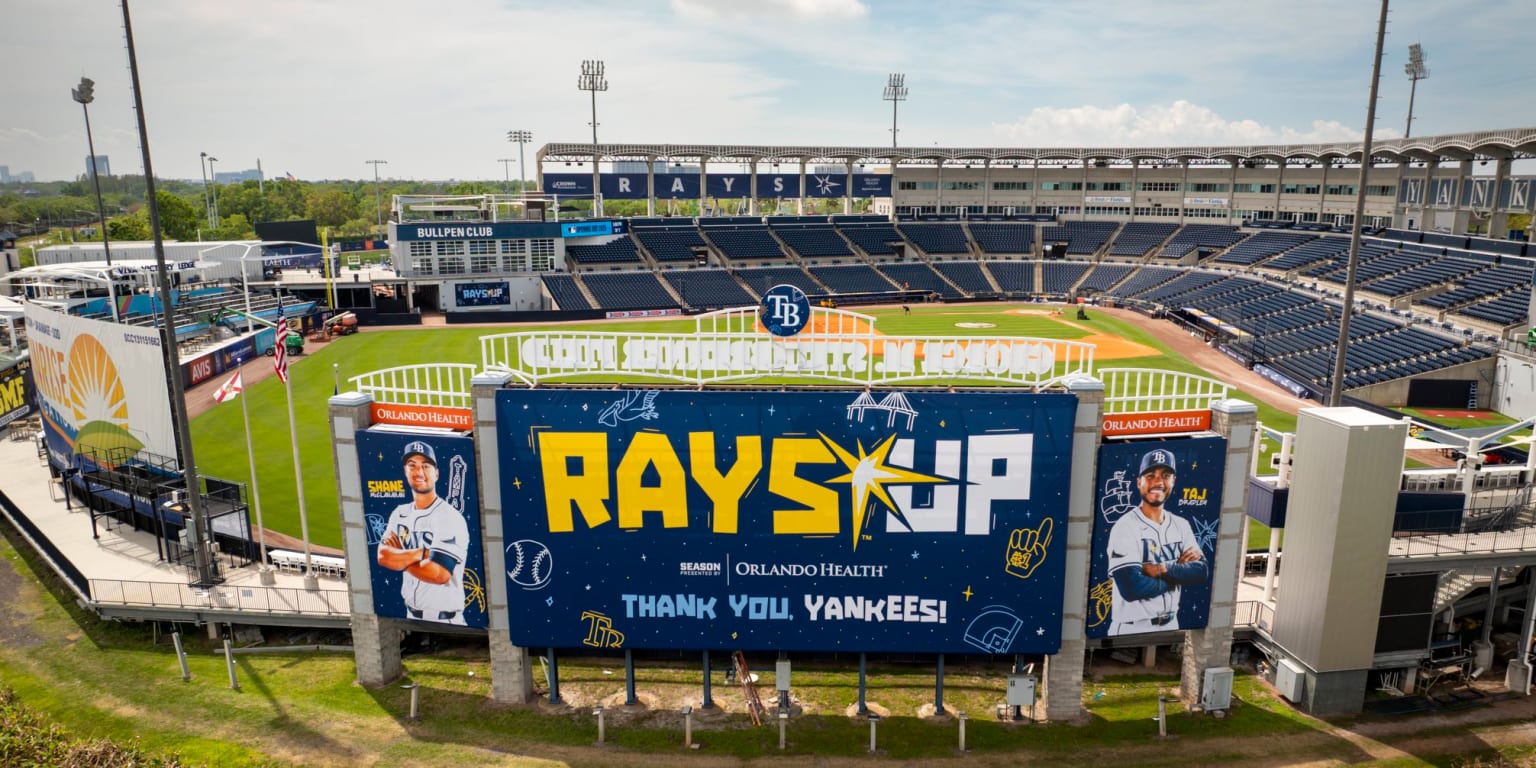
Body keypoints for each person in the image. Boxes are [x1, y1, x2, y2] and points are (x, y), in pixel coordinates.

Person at [1106, 448, 1208, 635]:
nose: (1158, 482)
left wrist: (1163, 569)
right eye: (1151, 475)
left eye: (1166, 475)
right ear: (1139, 482)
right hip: (1131, 627)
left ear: (1173, 481)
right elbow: (1131, 587)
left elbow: (1201, 571)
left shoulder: (1181, 525)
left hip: (1172, 623)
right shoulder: (1125, 527)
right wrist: (1177, 576)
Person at [377, 441, 469, 625]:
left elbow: (439, 574)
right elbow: (383, 556)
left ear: (436, 473)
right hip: (410, 615)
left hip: (448, 620)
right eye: (412, 465)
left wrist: (400, 559)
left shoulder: (449, 517)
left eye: (425, 466)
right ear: (405, 471)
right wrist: (420, 553)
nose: (418, 472)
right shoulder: (399, 513)